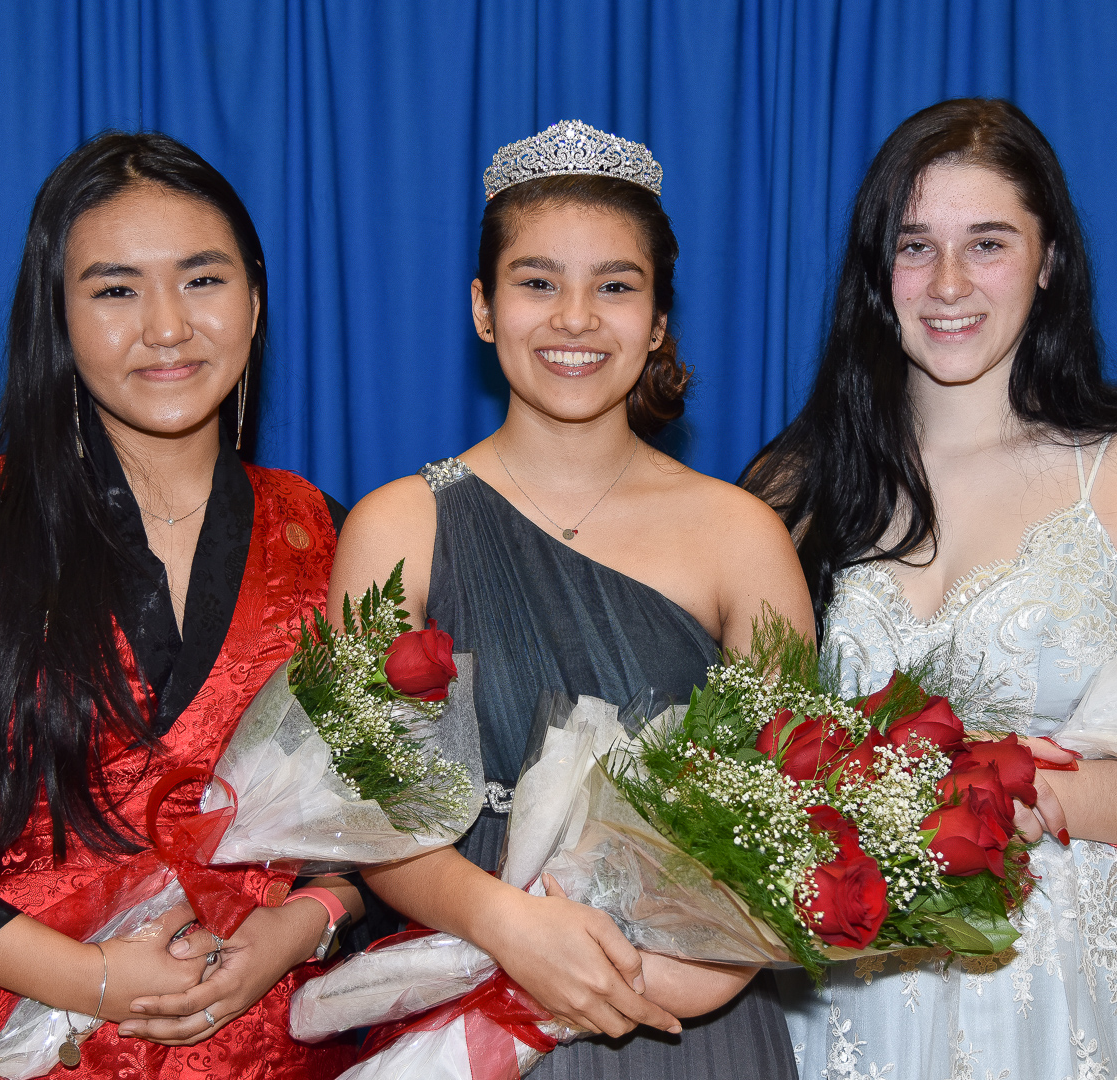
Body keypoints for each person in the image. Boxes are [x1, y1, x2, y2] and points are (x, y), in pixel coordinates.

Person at [0, 132, 359, 1078]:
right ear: (56, 318)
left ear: (255, 302)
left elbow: (391, 824)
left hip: (270, 1047)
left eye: (202, 280)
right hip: (18, 1046)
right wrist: (91, 976)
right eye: (114, 289)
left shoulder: (324, 534)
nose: (168, 328)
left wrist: (301, 928)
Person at [744, 99, 1117, 1079]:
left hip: (1069, 988)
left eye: (986, 244)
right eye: (913, 245)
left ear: (1048, 259)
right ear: (872, 271)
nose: (945, 284)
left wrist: (997, 799)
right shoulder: (793, 485)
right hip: (847, 993)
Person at [333, 120, 812, 1079]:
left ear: (660, 319)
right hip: (465, 1005)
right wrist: (509, 926)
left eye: (616, 287)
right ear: (483, 306)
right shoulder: (396, 527)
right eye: (538, 282)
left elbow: (800, 806)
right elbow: (358, 815)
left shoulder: (741, 534)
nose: (576, 318)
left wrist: (703, 970)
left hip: (688, 1013)